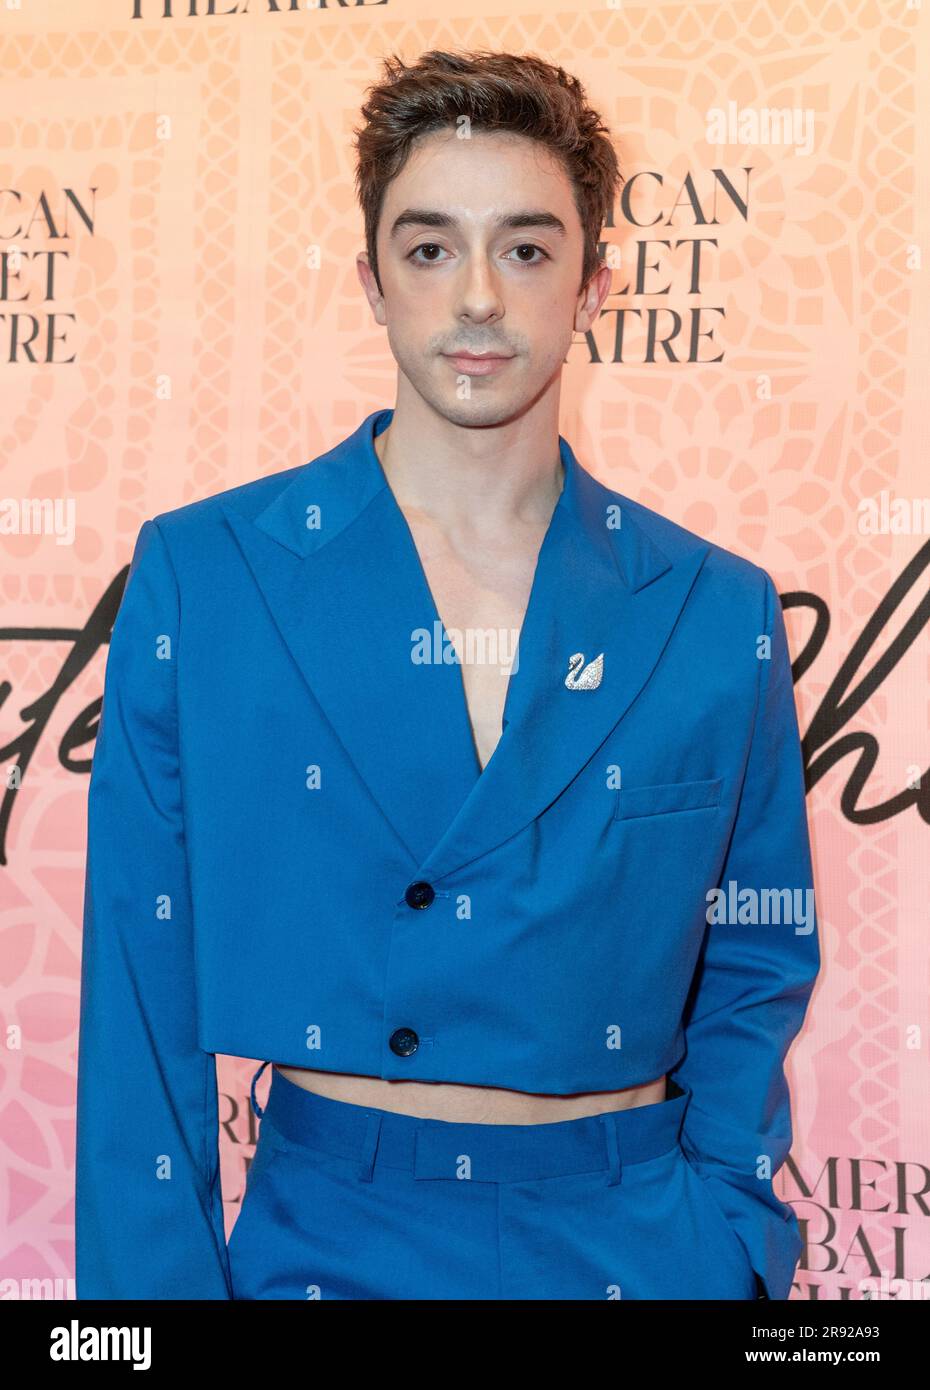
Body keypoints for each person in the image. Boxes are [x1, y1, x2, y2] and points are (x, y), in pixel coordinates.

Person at [75, 48, 820, 1300]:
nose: (478, 296)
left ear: (596, 284)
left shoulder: (714, 605)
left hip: (640, 1244)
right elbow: (139, 984)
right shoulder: (210, 576)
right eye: (430, 250)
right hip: (330, 1239)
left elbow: (756, 957)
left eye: (527, 250)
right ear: (371, 282)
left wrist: (727, 1234)